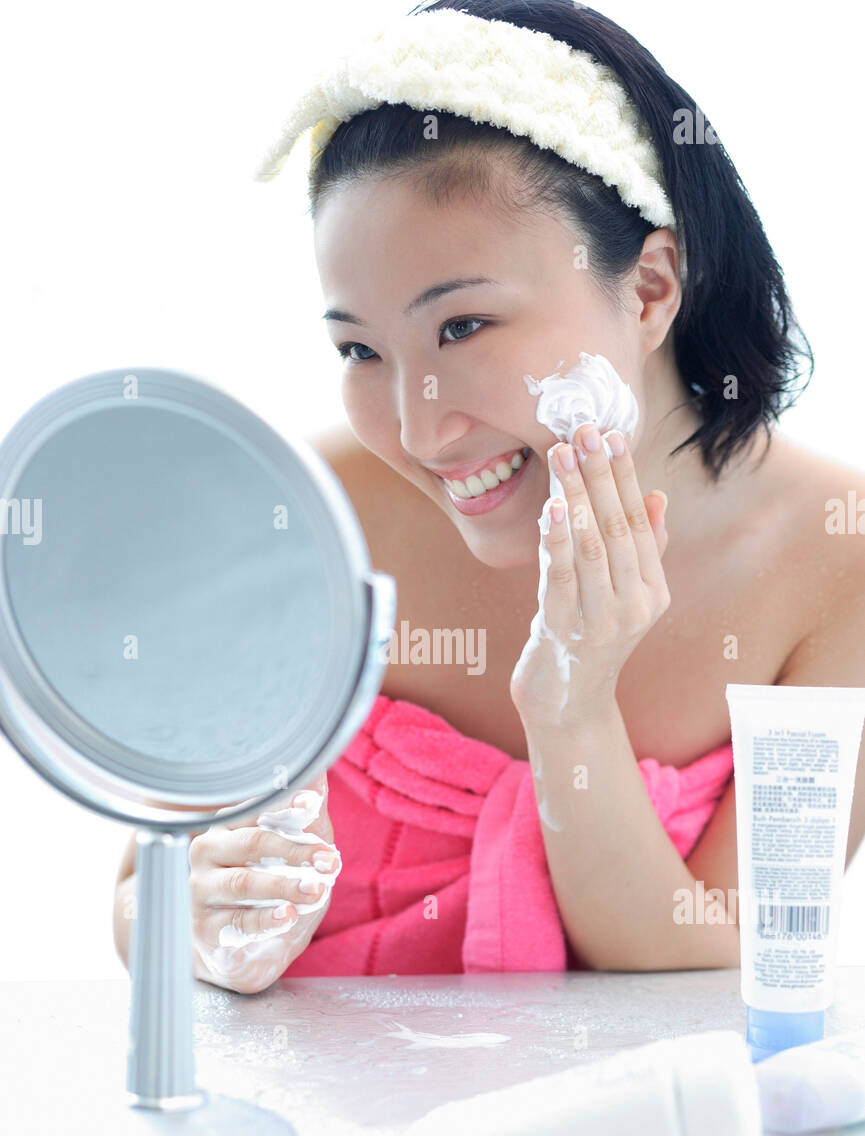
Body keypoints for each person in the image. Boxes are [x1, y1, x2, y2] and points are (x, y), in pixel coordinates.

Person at [114, 0, 865, 991]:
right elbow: (141, 893)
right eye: (359, 349)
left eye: (462, 327)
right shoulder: (314, 512)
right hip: (320, 1133)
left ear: (648, 290)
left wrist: (570, 705)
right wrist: (198, 918)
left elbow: (700, 969)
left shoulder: (832, 560)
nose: (419, 435)